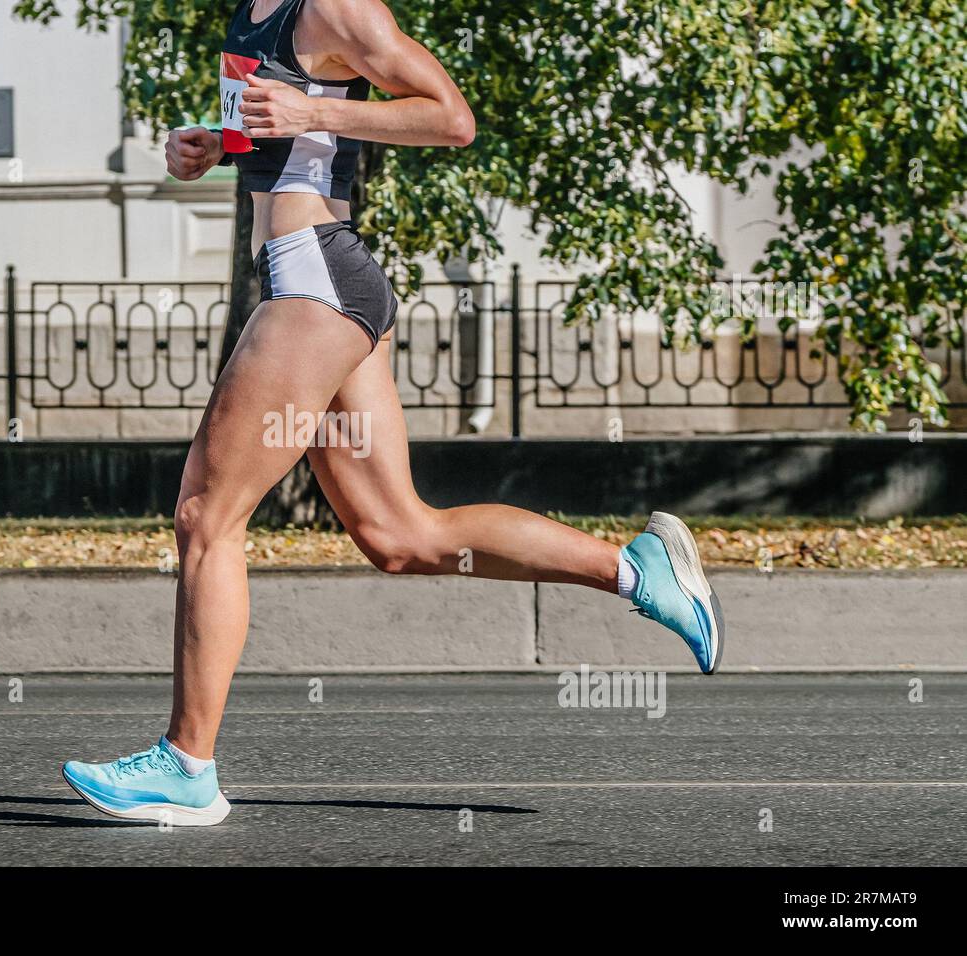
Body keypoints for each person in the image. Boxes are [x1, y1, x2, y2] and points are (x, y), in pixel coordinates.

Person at [62, 0, 725, 826]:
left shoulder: (335, 5)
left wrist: (312, 108)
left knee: (206, 513)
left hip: (315, 283)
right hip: (318, 283)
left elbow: (450, 118)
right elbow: (299, 146)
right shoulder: (253, 13)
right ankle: (637, 571)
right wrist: (213, 141)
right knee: (402, 536)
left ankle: (186, 766)